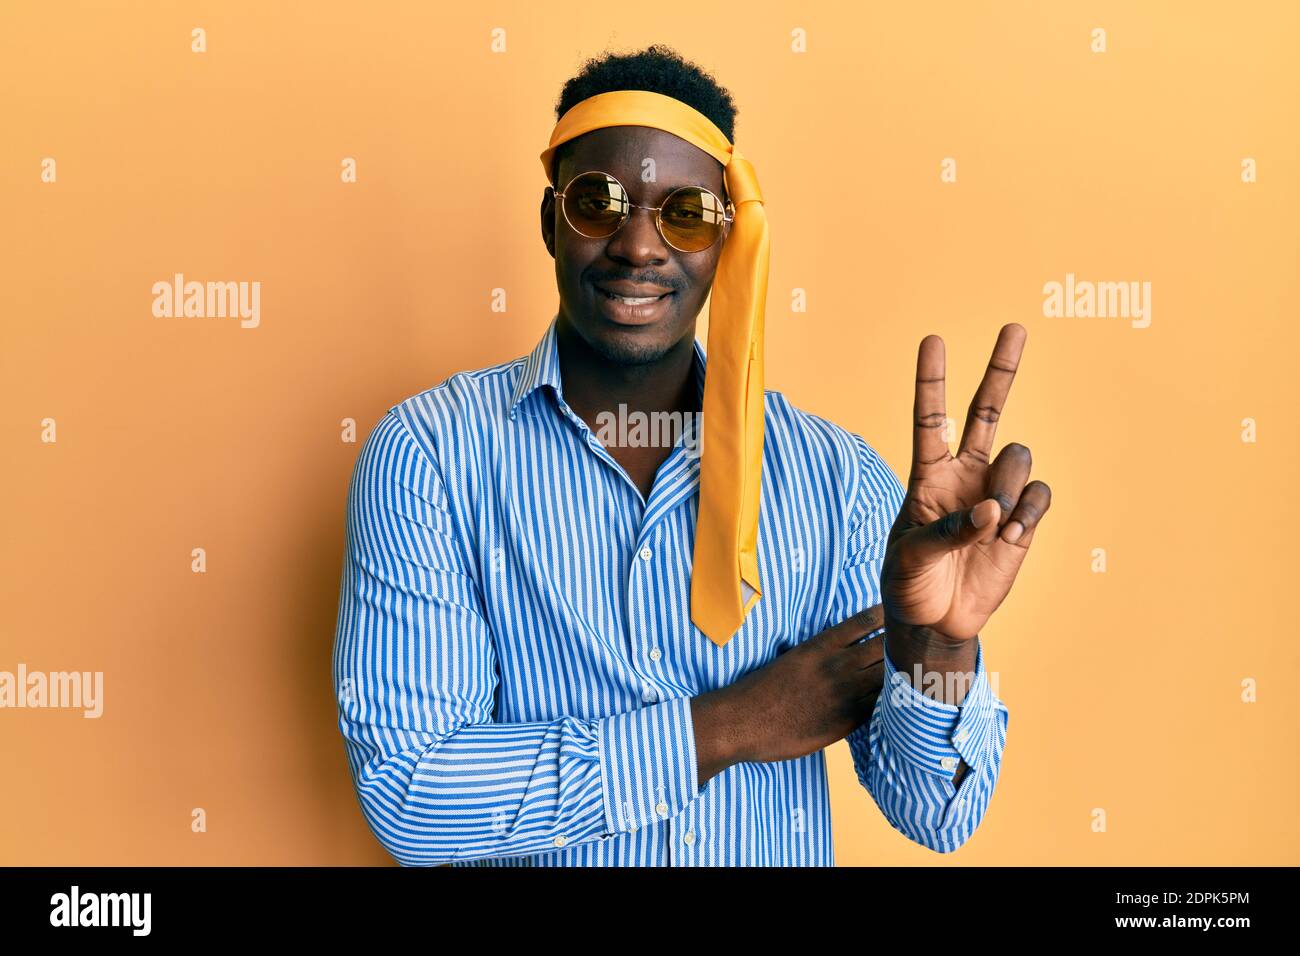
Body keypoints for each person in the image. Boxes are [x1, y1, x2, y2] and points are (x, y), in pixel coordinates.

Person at [331, 44, 1051, 866]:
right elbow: (414, 798)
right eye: (597, 203)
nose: (639, 247)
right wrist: (731, 725)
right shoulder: (429, 457)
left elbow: (938, 815)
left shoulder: (835, 483)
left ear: (726, 240)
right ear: (547, 223)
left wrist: (937, 646)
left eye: (684, 213)